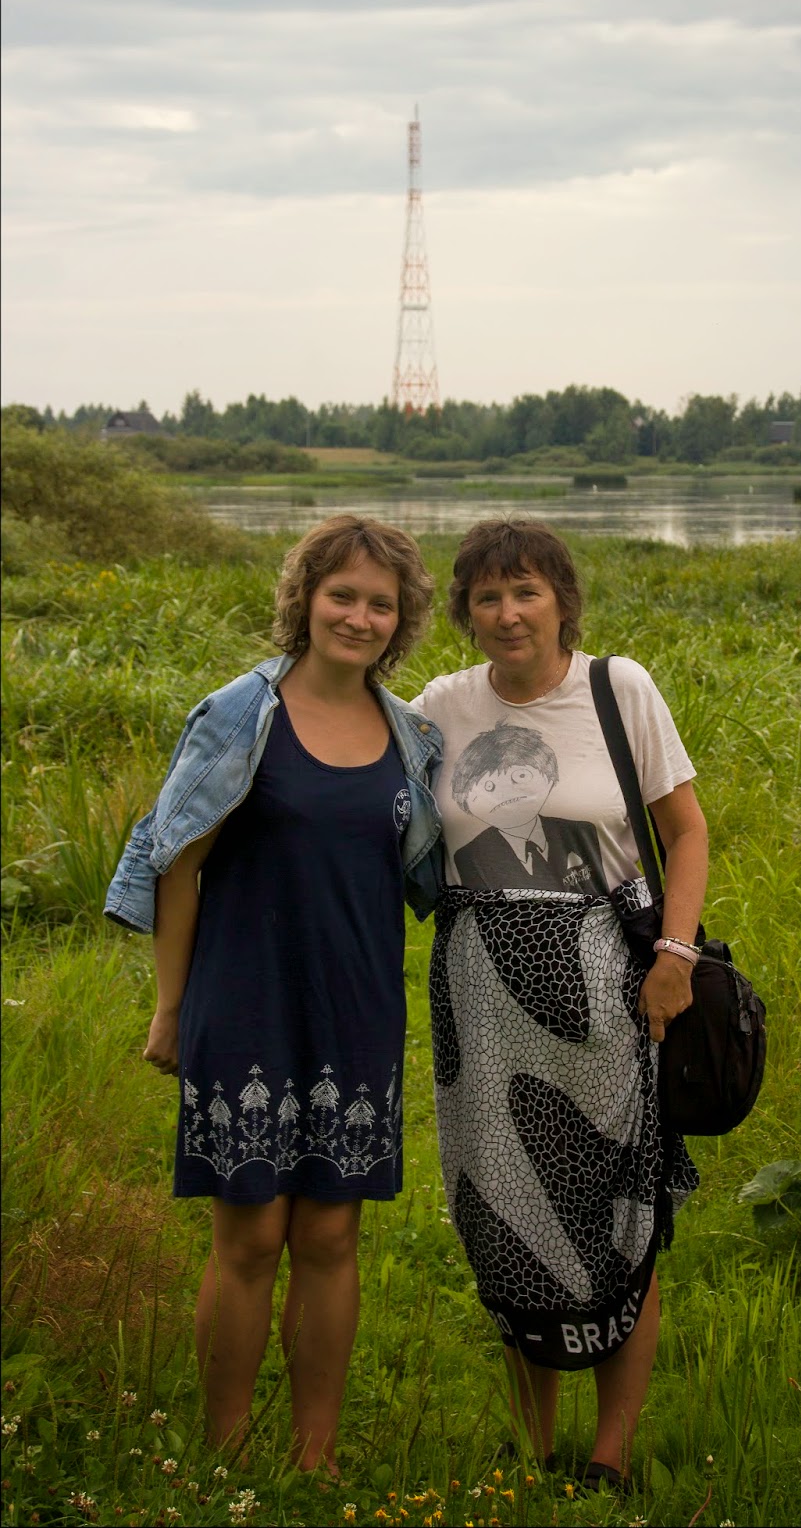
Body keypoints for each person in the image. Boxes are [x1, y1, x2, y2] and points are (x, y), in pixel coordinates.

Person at [104, 515, 441, 1474]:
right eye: (342, 596)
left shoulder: (411, 735)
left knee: (332, 1232)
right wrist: (171, 1008)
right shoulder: (239, 714)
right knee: (250, 1233)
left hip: (357, 1008)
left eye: (381, 604)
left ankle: (314, 1458)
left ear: (402, 620)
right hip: (245, 1000)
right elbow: (178, 863)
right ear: (305, 599)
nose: (359, 617)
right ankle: (227, 1451)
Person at [410, 519, 708, 1493]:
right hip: (480, 1002)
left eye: (526, 591)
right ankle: (530, 1444)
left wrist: (676, 955)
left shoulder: (621, 690)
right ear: (465, 611)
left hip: (613, 991)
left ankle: (610, 1453)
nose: (508, 613)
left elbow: (687, 832)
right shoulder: (439, 706)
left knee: (623, 1212)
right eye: (487, 597)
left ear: (562, 600)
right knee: (506, 1211)